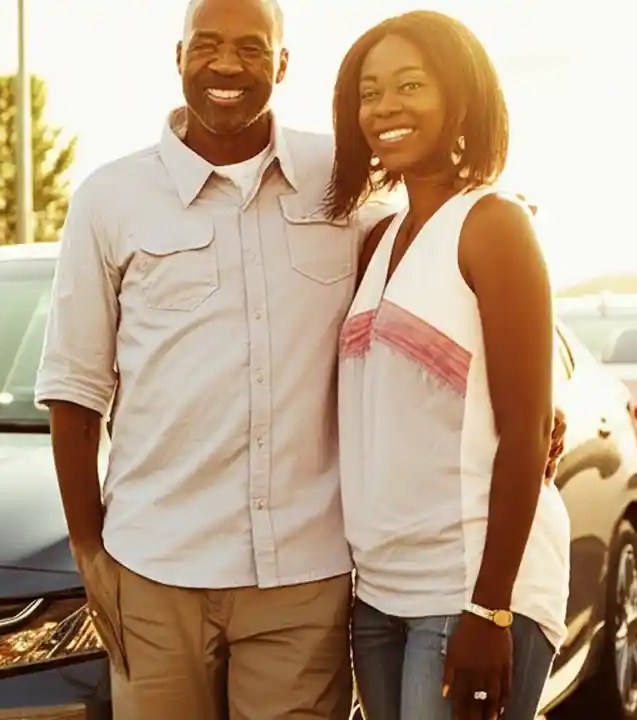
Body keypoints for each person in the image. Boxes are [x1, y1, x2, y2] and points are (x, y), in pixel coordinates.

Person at [36, 1, 564, 717]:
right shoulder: (111, 198)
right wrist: (88, 549)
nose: (228, 65)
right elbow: (75, 386)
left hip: (307, 577)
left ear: (283, 64)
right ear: (179, 55)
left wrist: (543, 402)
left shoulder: (347, 186)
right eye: (208, 45)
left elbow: (467, 279)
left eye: (252, 48)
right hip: (157, 567)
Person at [328, 10, 569, 720]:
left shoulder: (495, 225)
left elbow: (526, 425)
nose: (385, 108)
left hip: (470, 587)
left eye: (409, 85)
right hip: (378, 593)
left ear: (460, 97)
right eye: (369, 92)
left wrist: (490, 608)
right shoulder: (380, 238)